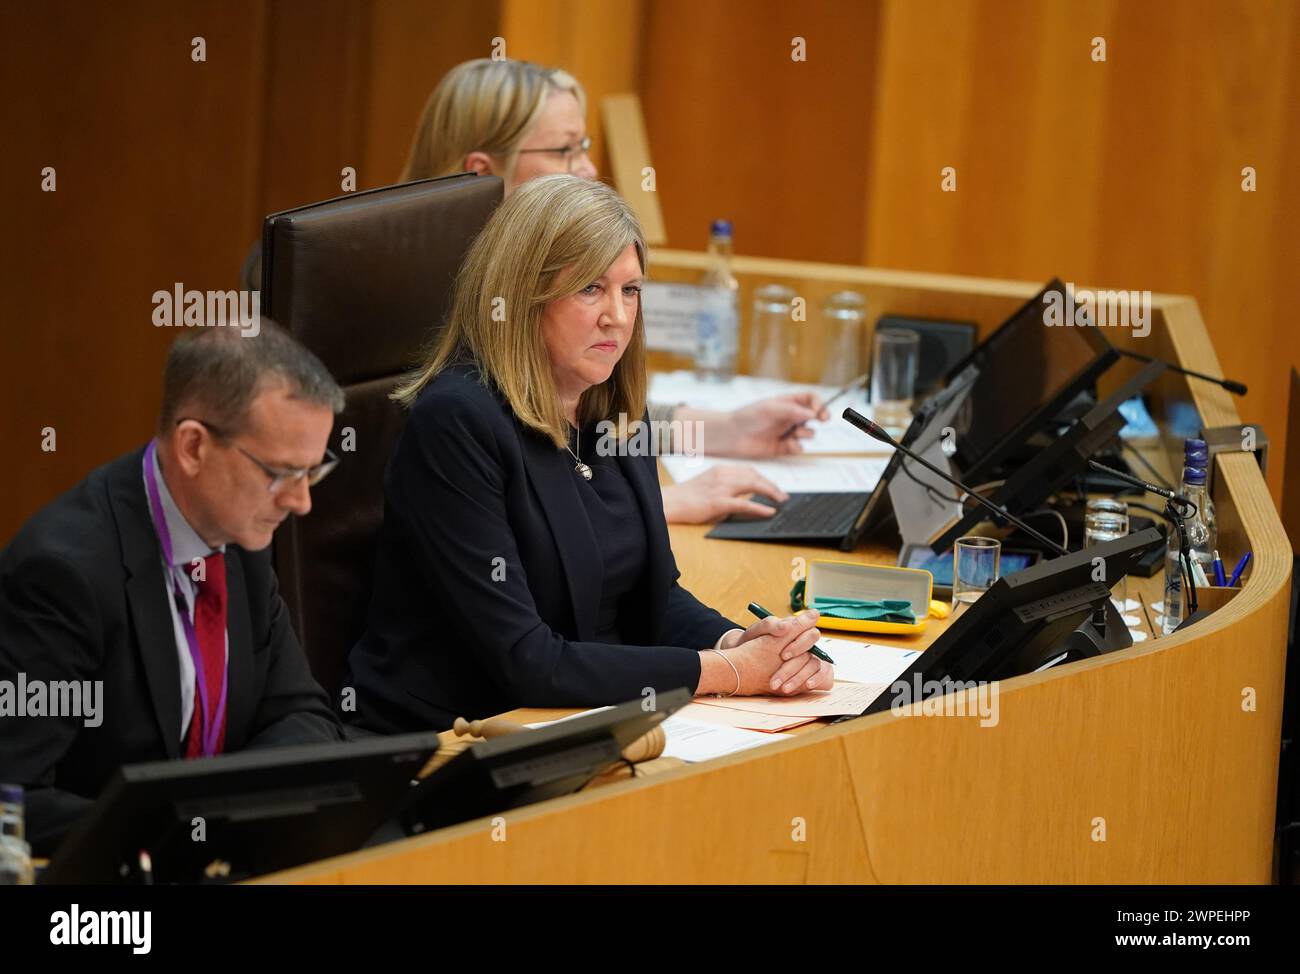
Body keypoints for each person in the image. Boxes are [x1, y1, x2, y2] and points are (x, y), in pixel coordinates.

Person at [342, 175, 833, 734]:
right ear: (523, 297)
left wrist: (737, 641)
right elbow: (527, 661)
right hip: (451, 741)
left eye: (630, 290)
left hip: (583, 719)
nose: (618, 317)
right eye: (590, 290)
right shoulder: (458, 423)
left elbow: (651, 598)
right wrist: (728, 671)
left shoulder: (615, 410)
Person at [399, 57, 830, 523]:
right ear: (483, 172)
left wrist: (726, 430)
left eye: (584, 145)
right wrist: (659, 505)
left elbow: (600, 419)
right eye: (564, 150)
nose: (587, 169)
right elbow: (500, 500)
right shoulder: (428, 303)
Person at [0, 322, 346, 854]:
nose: (301, 503)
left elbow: (302, 716)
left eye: (311, 473)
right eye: (281, 474)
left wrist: (224, 814)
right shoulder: (63, 576)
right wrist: (184, 828)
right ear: (192, 447)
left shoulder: (243, 538)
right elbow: (13, 798)